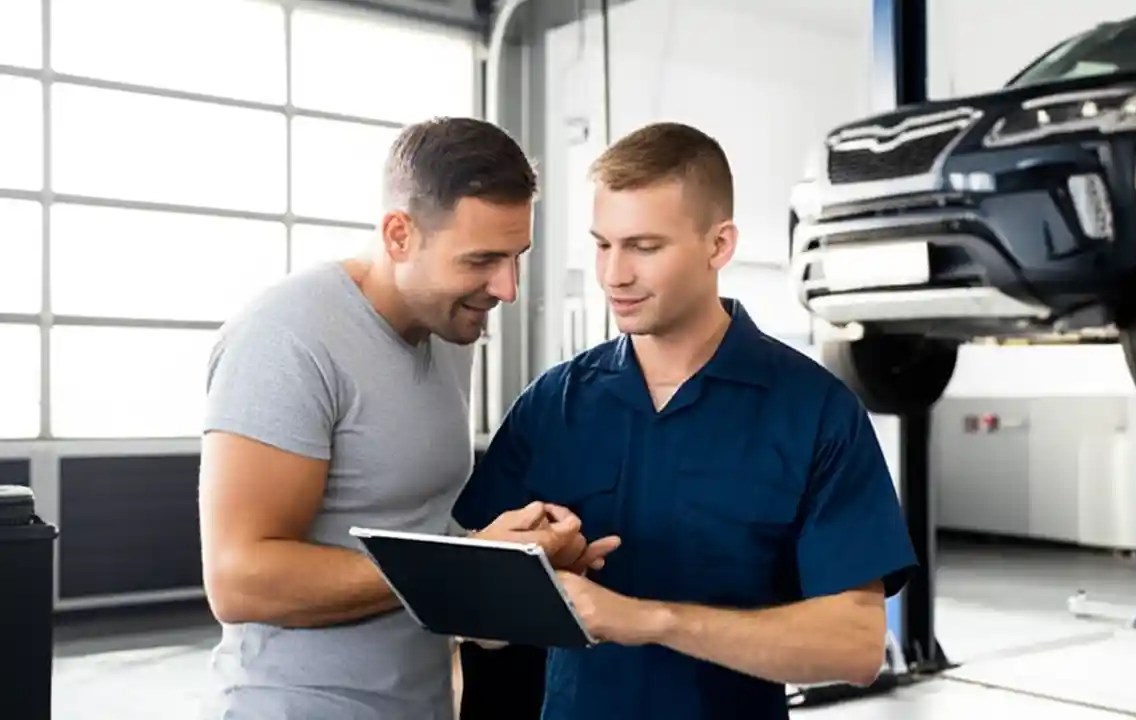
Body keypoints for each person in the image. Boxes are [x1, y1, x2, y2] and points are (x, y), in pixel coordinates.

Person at [451, 121, 919, 720]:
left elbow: (854, 647)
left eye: (644, 247)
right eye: (602, 244)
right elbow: (476, 620)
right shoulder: (554, 404)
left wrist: (651, 621)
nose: (614, 275)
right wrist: (527, 578)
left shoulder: (815, 413)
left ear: (718, 246)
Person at [197, 117, 616, 720]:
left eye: (516, 257)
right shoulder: (286, 338)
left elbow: (416, 537)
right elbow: (240, 580)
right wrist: (475, 563)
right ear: (399, 235)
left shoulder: (449, 330)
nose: (507, 288)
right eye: (483, 260)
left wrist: (520, 572)